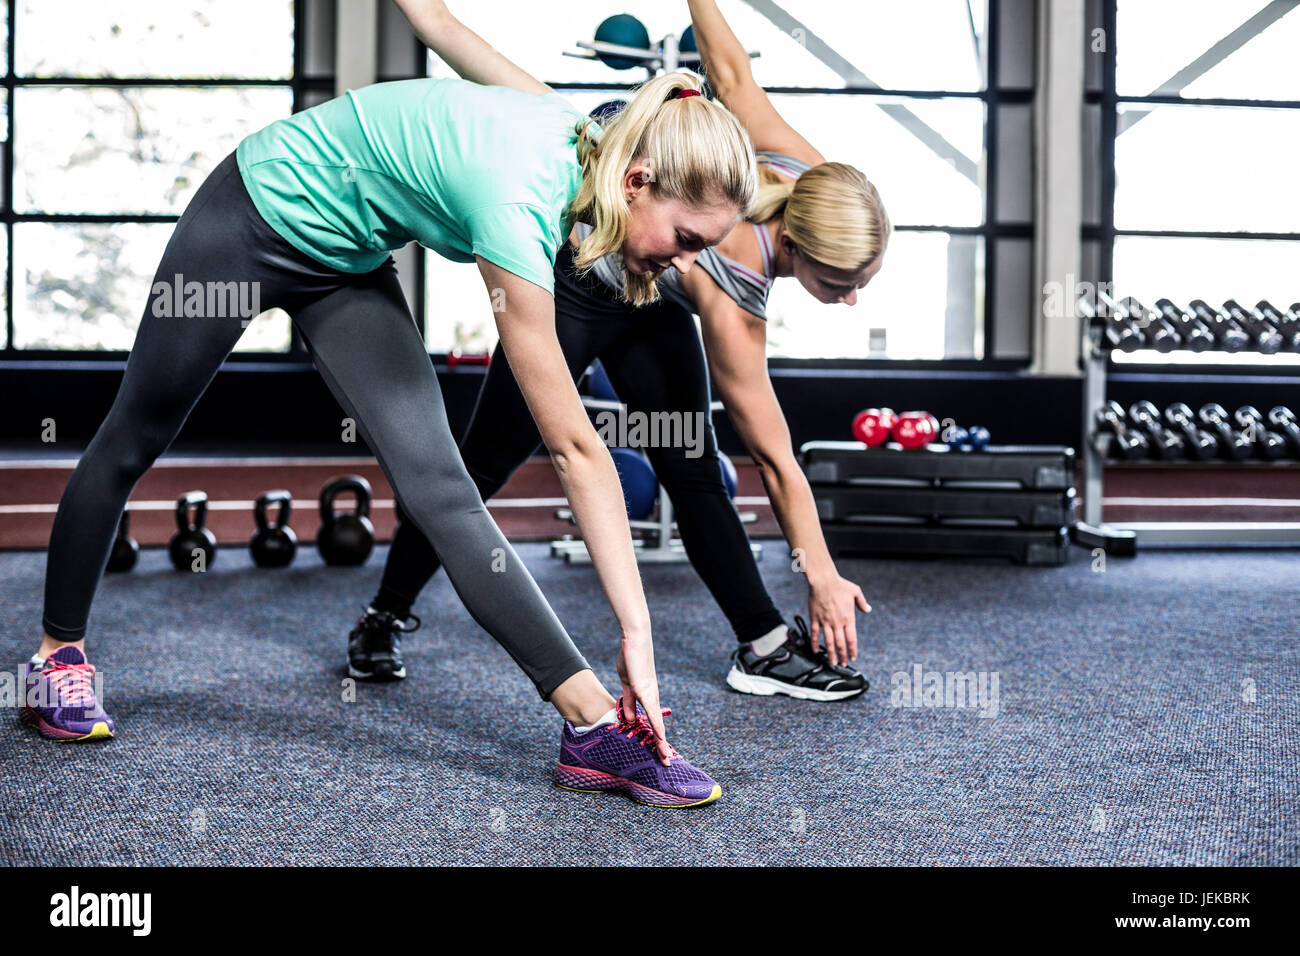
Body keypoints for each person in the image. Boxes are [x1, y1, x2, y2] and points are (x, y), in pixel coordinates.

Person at [23, 0, 758, 809]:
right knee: (137, 432)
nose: (687, 264)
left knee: (442, 485)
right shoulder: (515, 205)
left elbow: (445, 31)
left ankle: (592, 728)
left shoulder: (587, 140)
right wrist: (638, 637)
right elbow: (579, 449)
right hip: (250, 215)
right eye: (687, 240)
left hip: (345, 260)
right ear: (637, 180)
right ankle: (58, 655)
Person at [348, 0, 890, 703]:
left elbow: (727, 70)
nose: (850, 300)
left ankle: (763, 645)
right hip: (578, 285)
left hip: (652, 300)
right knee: (481, 465)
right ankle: (382, 616)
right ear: (792, 243)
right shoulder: (735, 310)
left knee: (690, 465)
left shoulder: (813, 179)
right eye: (841, 283)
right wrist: (819, 573)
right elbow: (778, 461)